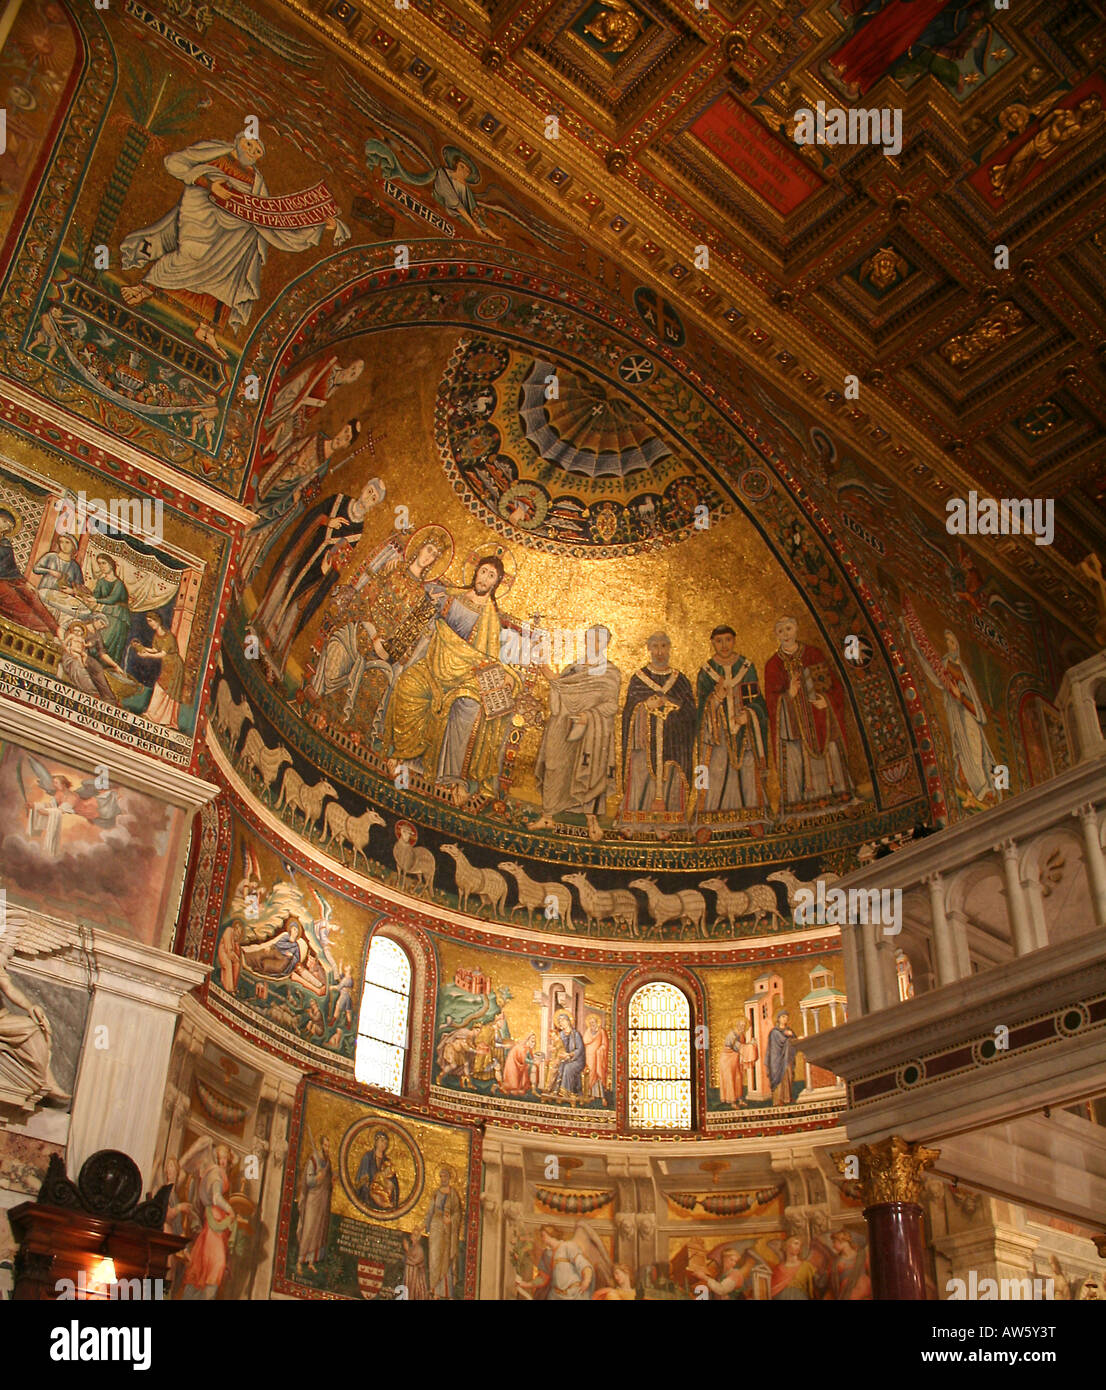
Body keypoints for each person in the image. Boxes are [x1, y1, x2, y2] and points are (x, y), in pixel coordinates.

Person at [120, 132, 348, 357]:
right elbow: (175, 163)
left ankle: (207, 330)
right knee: (190, 254)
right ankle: (144, 288)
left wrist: (316, 224)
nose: (252, 151)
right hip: (203, 216)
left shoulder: (258, 182)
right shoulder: (214, 152)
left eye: (258, 150)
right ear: (238, 141)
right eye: (249, 144)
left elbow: (271, 219)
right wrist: (209, 184)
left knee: (231, 277)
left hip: (237, 235)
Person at [386, 554, 521, 806]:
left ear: (496, 583)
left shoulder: (491, 617)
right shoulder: (452, 595)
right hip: (434, 665)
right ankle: (405, 754)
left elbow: (487, 658)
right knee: (408, 684)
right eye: (483, 571)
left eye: (492, 575)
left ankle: (452, 777)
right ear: (476, 573)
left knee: (468, 706)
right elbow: (425, 600)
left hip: (466, 677)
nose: (485, 578)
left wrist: (507, 676)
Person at [255, 476, 384, 669]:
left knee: (298, 604)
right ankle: (262, 629)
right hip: (305, 551)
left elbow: (343, 557)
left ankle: (273, 647)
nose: (369, 497)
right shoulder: (338, 501)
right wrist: (327, 521)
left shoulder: (358, 530)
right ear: (364, 487)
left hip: (319, 570)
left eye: (374, 498)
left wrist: (329, 569)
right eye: (370, 491)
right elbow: (311, 517)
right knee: (286, 586)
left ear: (374, 504)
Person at [240, 420, 363, 581]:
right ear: (341, 428)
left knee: (262, 539)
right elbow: (287, 455)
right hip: (274, 487)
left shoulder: (324, 468)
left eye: (347, 438)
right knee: (250, 518)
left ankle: (241, 569)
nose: (343, 437)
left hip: (284, 506)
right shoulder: (314, 439)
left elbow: (306, 497)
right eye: (345, 431)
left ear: (346, 446)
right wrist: (291, 469)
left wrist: (297, 499)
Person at [531, 625, 620, 841]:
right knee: (554, 765)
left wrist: (589, 716)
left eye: (599, 640)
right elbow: (560, 693)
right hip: (563, 725)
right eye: (590, 639)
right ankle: (548, 815)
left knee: (590, 772)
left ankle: (591, 820)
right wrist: (549, 674)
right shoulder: (572, 669)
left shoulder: (610, 672)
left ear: (606, 644)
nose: (594, 644)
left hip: (592, 730)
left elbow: (611, 705)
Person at [764, 616, 852, 814]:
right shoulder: (773, 664)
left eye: (788, 628)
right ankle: (802, 806)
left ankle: (839, 799)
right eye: (781, 631)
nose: (786, 634)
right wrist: (788, 696)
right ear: (776, 635)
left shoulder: (813, 654)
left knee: (830, 753)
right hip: (794, 726)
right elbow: (771, 700)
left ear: (796, 629)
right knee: (798, 759)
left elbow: (833, 685)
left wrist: (827, 701)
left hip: (820, 720)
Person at [617, 633, 696, 838]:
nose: (660, 651)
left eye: (663, 646)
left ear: (669, 648)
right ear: (649, 649)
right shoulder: (639, 678)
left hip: (673, 742)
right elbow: (628, 712)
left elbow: (690, 712)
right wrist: (644, 707)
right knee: (641, 774)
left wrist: (671, 706)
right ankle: (633, 821)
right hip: (644, 743)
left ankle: (667, 824)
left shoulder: (680, 680)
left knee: (671, 775)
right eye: (655, 647)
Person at [695, 625, 771, 835]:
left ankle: (754, 817)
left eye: (728, 640)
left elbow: (758, 700)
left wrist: (750, 714)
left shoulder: (746, 667)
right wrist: (715, 700)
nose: (724, 645)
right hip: (718, 733)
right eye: (719, 641)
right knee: (717, 772)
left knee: (747, 770)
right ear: (713, 643)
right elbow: (700, 707)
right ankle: (708, 821)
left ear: (734, 640)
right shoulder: (707, 671)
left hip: (744, 731)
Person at [0, 508, 60, 636]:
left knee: (31, 594)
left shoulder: (5, 544)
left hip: (8, 579)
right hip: (1, 584)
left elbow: (11, 570)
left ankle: (55, 627)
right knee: (15, 600)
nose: (7, 526)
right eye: (4, 521)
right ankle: (44, 628)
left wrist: (26, 583)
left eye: (9, 524)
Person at [131, 612, 184, 726]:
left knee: (163, 689)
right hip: (167, 665)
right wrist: (141, 648)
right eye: (148, 622)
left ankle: (157, 717)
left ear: (157, 621)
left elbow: (162, 654)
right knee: (161, 689)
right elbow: (155, 650)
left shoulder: (169, 637)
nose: (149, 624)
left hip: (174, 666)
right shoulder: (156, 636)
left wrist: (146, 655)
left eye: (151, 621)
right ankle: (157, 717)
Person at [57, 620, 122, 703]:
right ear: (95, 620)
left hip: (84, 654)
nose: (102, 627)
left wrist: (115, 665)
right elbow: (61, 629)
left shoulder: (97, 636)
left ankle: (107, 697)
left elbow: (102, 654)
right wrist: (64, 645)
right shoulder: (79, 624)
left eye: (104, 626)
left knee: (97, 667)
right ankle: (88, 688)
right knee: (77, 664)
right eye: (101, 623)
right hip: (71, 653)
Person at [424, 1166, 463, 1299]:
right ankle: (434, 1289)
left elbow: (457, 1212)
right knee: (434, 1257)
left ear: (449, 1178)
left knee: (446, 1257)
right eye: (441, 1176)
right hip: (436, 1227)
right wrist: (427, 1226)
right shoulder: (435, 1193)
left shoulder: (453, 1194)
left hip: (447, 1229)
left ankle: (445, 1292)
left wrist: (451, 1219)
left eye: (445, 1176)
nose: (443, 1179)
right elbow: (430, 1211)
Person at [296, 1135, 332, 1274]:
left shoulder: (328, 1162)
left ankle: (311, 1261)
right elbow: (309, 1181)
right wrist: (318, 1177)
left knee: (318, 1230)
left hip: (322, 1200)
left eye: (329, 1146)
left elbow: (328, 1181)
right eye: (325, 1145)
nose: (327, 1149)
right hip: (312, 1199)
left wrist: (330, 1179)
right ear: (321, 1145)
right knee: (309, 1229)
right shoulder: (313, 1160)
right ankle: (299, 1261)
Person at [87, 555, 132, 664]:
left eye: (104, 563)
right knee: (98, 638)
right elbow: (95, 595)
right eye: (99, 564)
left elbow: (113, 599)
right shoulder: (101, 582)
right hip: (106, 613)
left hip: (118, 616)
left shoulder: (119, 584)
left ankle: (106, 665)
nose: (101, 566)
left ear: (111, 565)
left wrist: (96, 600)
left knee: (107, 641)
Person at [546, 1010, 586, 1101]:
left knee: (567, 1067)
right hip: (564, 1058)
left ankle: (565, 1092)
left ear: (568, 1021)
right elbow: (558, 1046)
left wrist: (569, 1055)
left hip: (577, 1060)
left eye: (563, 1021)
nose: (561, 1023)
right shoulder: (561, 1034)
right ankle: (553, 1089)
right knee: (556, 1065)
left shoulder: (575, 1034)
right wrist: (554, 1049)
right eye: (560, 1022)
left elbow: (580, 1050)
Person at [356, 1130, 400, 1210]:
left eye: (386, 1143)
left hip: (383, 1188)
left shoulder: (387, 1161)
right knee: (373, 1193)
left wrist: (389, 1182)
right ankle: (383, 1203)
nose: (383, 1144)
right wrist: (369, 1185)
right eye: (382, 1141)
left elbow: (393, 1180)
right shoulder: (368, 1157)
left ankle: (386, 1202)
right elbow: (362, 1176)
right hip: (370, 1188)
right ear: (376, 1142)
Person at [767, 1009, 799, 1106]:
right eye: (783, 1017)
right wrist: (788, 1038)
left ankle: (787, 1098)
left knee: (788, 1076)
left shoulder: (789, 1030)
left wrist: (794, 1038)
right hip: (777, 1060)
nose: (785, 1019)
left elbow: (794, 1041)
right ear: (778, 1018)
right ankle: (778, 1099)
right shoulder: (774, 1032)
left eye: (786, 1017)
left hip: (787, 1058)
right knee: (779, 1078)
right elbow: (778, 1044)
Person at [827, 1229, 870, 1300]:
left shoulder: (862, 1255)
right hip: (846, 1295)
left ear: (843, 1242)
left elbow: (872, 1274)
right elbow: (832, 1284)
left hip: (865, 1293)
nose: (833, 1245)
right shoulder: (835, 1262)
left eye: (834, 1242)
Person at [499, 1032, 540, 1096]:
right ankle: (530, 1089)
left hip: (521, 1066)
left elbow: (529, 1058)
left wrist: (535, 1060)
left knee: (534, 1068)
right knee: (533, 1068)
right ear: (527, 1040)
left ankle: (533, 1089)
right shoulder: (521, 1048)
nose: (533, 1044)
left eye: (534, 1042)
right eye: (532, 1041)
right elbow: (523, 1059)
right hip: (514, 1066)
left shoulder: (527, 1048)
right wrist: (533, 1062)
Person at [718, 1020, 749, 1107]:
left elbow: (743, 1046)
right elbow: (735, 1047)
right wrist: (749, 1045)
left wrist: (748, 1045)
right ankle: (732, 1102)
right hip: (727, 1060)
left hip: (735, 1059)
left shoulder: (742, 1035)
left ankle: (739, 1099)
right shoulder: (732, 1034)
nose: (743, 1027)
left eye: (744, 1025)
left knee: (738, 1078)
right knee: (730, 1079)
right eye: (741, 1025)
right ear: (737, 1025)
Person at [583, 1014, 610, 1103]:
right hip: (589, 1057)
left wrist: (600, 1050)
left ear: (597, 1023)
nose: (592, 1024)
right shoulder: (587, 1031)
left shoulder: (601, 1032)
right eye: (590, 1023)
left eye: (593, 1022)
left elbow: (605, 1044)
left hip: (598, 1057)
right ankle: (590, 1095)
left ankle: (602, 1097)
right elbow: (585, 1043)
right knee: (590, 1074)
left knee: (598, 1074)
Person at [402, 1233, 431, 1301]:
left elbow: (416, 1261)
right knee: (409, 1290)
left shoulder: (419, 1248)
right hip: (410, 1273)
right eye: (412, 1235)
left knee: (418, 1291)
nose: (412, 1236)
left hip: (417, 1274)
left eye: (414, 1235)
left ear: (417, 1238)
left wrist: (407, 1250)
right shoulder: (412, 1247)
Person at [217, 920, 243, 993]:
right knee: (228, 964)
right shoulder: (229, 930)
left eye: (240, 933)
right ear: (235, 928)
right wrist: (234, 957)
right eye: (238, 932)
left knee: (237, 964)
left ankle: (234, 986)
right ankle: (228, 988)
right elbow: (228, 948)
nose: (238, 934)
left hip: (229, 953)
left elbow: (236, 953)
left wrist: (237, 947)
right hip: (223, 951)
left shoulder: (235, 939)